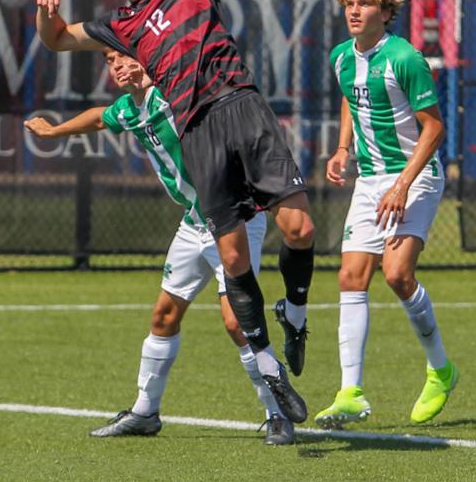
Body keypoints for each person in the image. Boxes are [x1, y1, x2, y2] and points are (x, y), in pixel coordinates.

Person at [33, 0, 320, 427]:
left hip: (239, 102)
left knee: (301, 230)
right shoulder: (120, 25)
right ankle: (268, 377)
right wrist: (47, 13)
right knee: (232, 262)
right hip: (196, 128)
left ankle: (297, 315)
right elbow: (60, 39)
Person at [24, 49, 293, 445]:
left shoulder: (175, 96)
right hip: (195, 223)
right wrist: (52, 131)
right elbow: (100, 117)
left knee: (237, 323)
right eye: (110, 59)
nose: (116, 65)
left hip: (234, 219)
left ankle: (278, 414)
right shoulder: (130, 109)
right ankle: (145, 412)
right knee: (164, 316)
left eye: (124, 57)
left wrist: (156, 71)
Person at [315, 0, 458, 428]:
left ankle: (440, 370)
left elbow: (434, 128)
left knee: (396, 274)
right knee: (351, 277)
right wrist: (342, 148)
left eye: (364, 4)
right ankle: (350, 393)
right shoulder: (341, 57)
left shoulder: (405, 58)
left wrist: (401, 186)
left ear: (386, 12)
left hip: (414, 176)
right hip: (371, 180)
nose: (354, 11)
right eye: (348, 4)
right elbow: (350, 100)